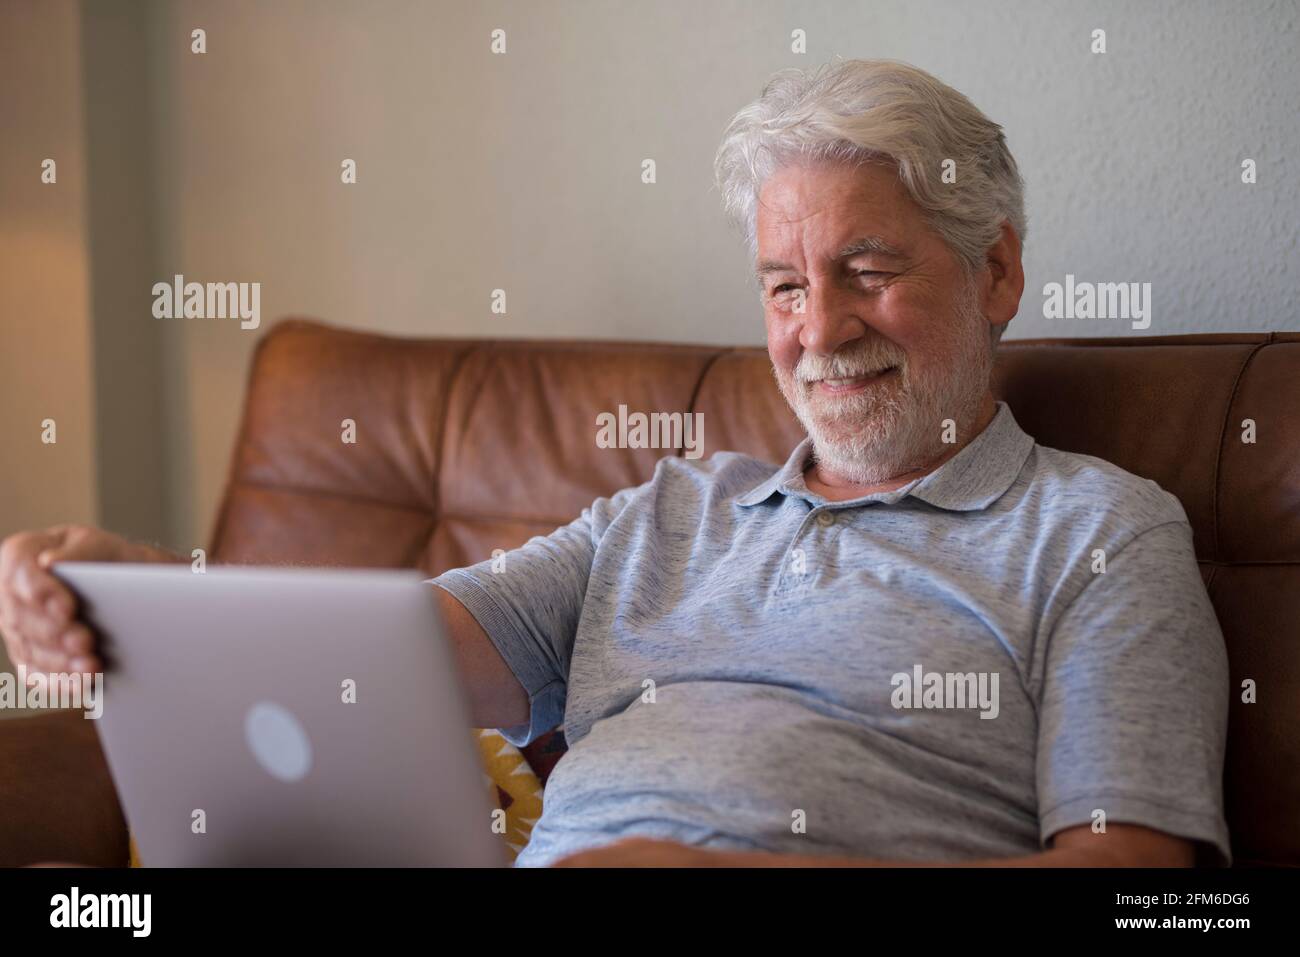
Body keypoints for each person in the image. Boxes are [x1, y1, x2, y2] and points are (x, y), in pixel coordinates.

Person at [0, 59, 1229, 867]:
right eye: (785, 286)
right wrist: (139, 598)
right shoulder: (667, 513)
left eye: (869, 270)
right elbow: (379, 660)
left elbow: (1132, 884)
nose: (819, 328)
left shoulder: (1100, 534)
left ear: (997, 273)